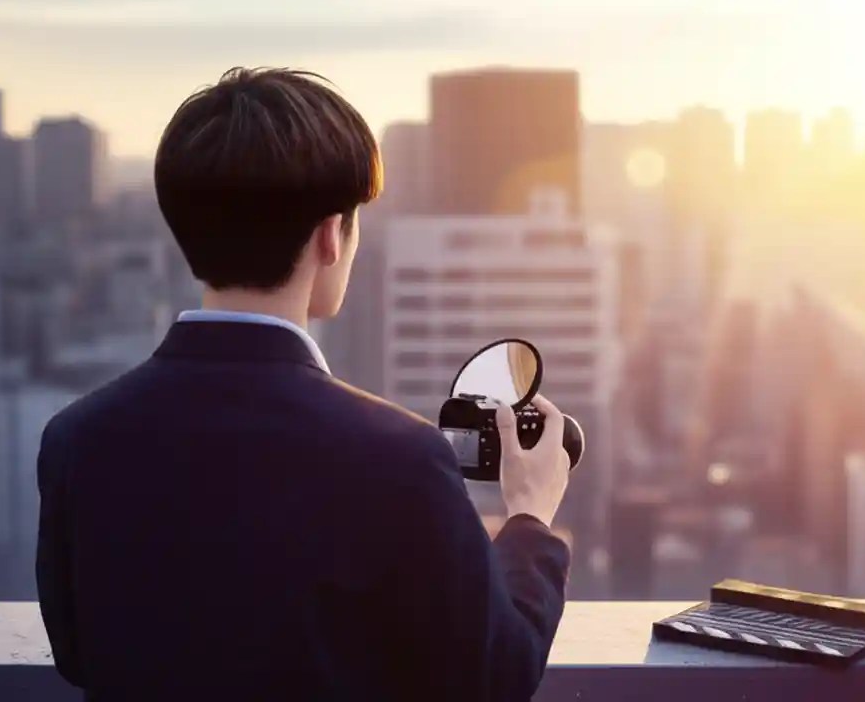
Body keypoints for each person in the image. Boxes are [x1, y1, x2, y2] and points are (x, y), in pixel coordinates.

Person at [36, 67, 574, 701]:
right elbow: (495, 675)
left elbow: (77, 652)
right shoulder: (399, 457)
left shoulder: (78, 439)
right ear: (329, 235)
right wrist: (531, 519)